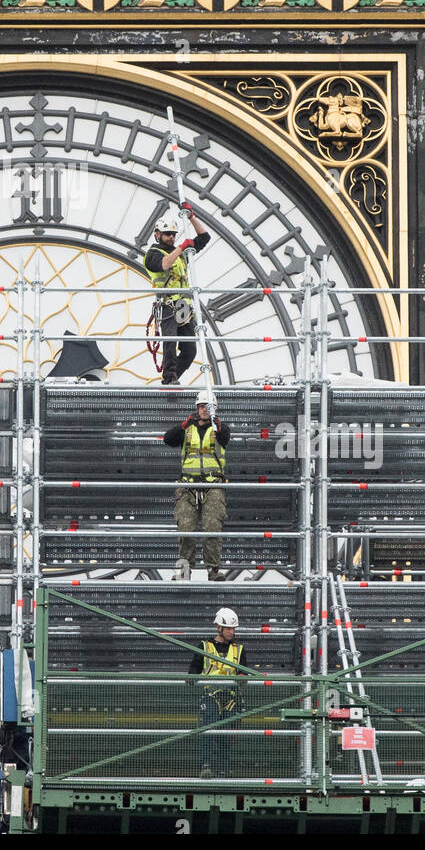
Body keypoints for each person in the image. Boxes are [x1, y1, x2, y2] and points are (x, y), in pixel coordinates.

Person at [164, 392, 230, 581]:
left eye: (207, 406)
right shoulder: (187, 429)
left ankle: (213, 570)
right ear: (196, 408)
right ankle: (184, 571)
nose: (203, 409)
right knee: (185, 528)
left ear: (213, 409)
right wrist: (184, 425)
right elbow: (168, 439)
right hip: (187, 486)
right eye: (201, 406)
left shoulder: (219, 429)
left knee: (212, 527)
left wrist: (216, 423)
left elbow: (226, 437)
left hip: (212, 485)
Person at [144, 204, 210, 385]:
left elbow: (204, 238)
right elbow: (164, 265)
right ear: (157, 235)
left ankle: (172, 379)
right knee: (171, 342)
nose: (171, 237)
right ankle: (169, 377)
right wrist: (181, 248)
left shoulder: (180, 254)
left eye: (173, 234)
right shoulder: (153, 254)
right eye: (167, 234)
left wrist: (191, 217)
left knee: (190, 350)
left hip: (184, 306)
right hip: (167, 305)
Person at [188, 606, 247, 779]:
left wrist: (243, 677)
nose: (232, 632)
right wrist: (191, 678)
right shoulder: (204, 646)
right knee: (208, 729)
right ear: (219, 628)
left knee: (225, 733)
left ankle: (223, 769)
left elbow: (243, 671)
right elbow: (194, 669)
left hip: (230, 697)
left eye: (233, 628)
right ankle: (206, 766)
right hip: (211, 695)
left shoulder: (238, 649)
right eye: (228, 628)